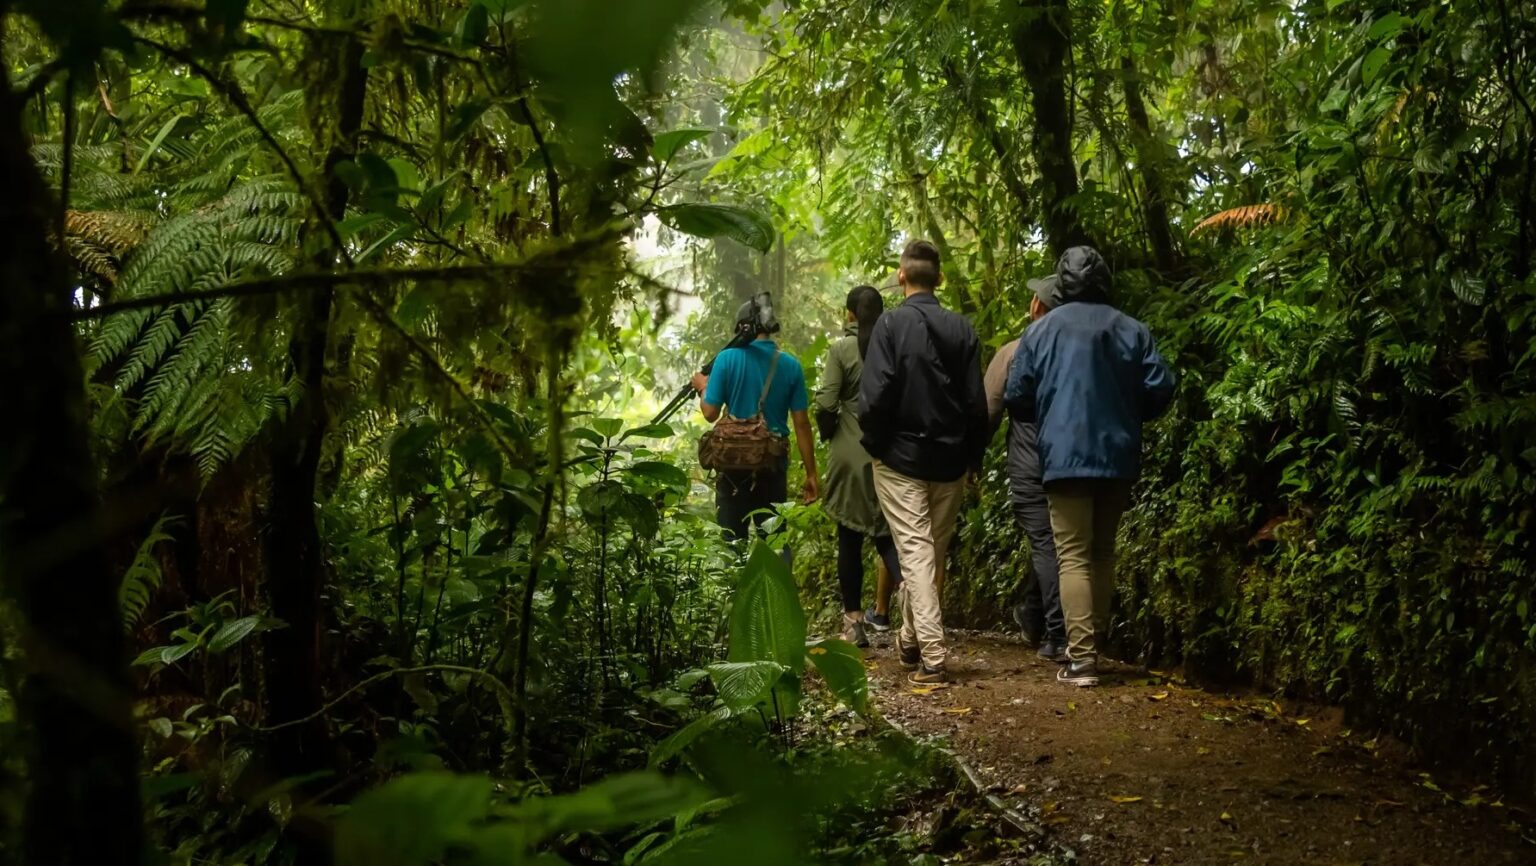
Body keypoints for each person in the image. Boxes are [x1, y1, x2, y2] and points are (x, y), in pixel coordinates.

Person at [1004, 246, 1175, 687]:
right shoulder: (1132, 329)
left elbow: (1017, 394)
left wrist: (1049, 414)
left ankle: (1081, 659)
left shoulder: (1041, 331)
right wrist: (1129, 414)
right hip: (1117, 455)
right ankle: (1094, 640)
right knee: (1102, 551)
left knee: (1072, 554)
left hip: (1063, 457)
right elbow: (1160, 387)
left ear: (1062, 283)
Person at [860, 240, 988, 684]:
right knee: (930, 552)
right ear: (941, 279)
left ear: (901, 276)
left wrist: (875, 446)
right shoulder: (962, 329)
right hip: (950, 460)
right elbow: (976, 403)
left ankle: (933, 654)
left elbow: (875, 396)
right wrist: (973, 457)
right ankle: (910, 639)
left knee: (916, 553)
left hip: (900, 459)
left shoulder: (890, 325)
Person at [815, 285, 904, 648]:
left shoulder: (841, 350)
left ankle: (854, 624)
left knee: (849, 540)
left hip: (849, 456)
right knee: (889, 537)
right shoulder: (894, 347)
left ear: (849, 314)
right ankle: (915, 607)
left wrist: (829, 432)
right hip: (889, 454)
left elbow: (826, 403)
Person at [983, 286, 1067, 663]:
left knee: (1045, 542)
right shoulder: (1079, 351)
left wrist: (971, 460)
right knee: (1067, 542)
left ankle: (1058, 633)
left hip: (1030, 459)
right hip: (1074, 457)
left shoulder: (1015, 351)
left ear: (1037, 305)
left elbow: (988, 410)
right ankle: (1034, 615)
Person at [693, 297, 819, 542]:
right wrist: (811, 474)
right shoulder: (790, 365)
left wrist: (702, 387)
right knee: (774, 543)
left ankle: (734, 568)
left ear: (742, 327)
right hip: (771, 466)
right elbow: (802, 424)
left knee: (732, 544)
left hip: (732, 468)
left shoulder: (726, 359)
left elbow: (710, 413)